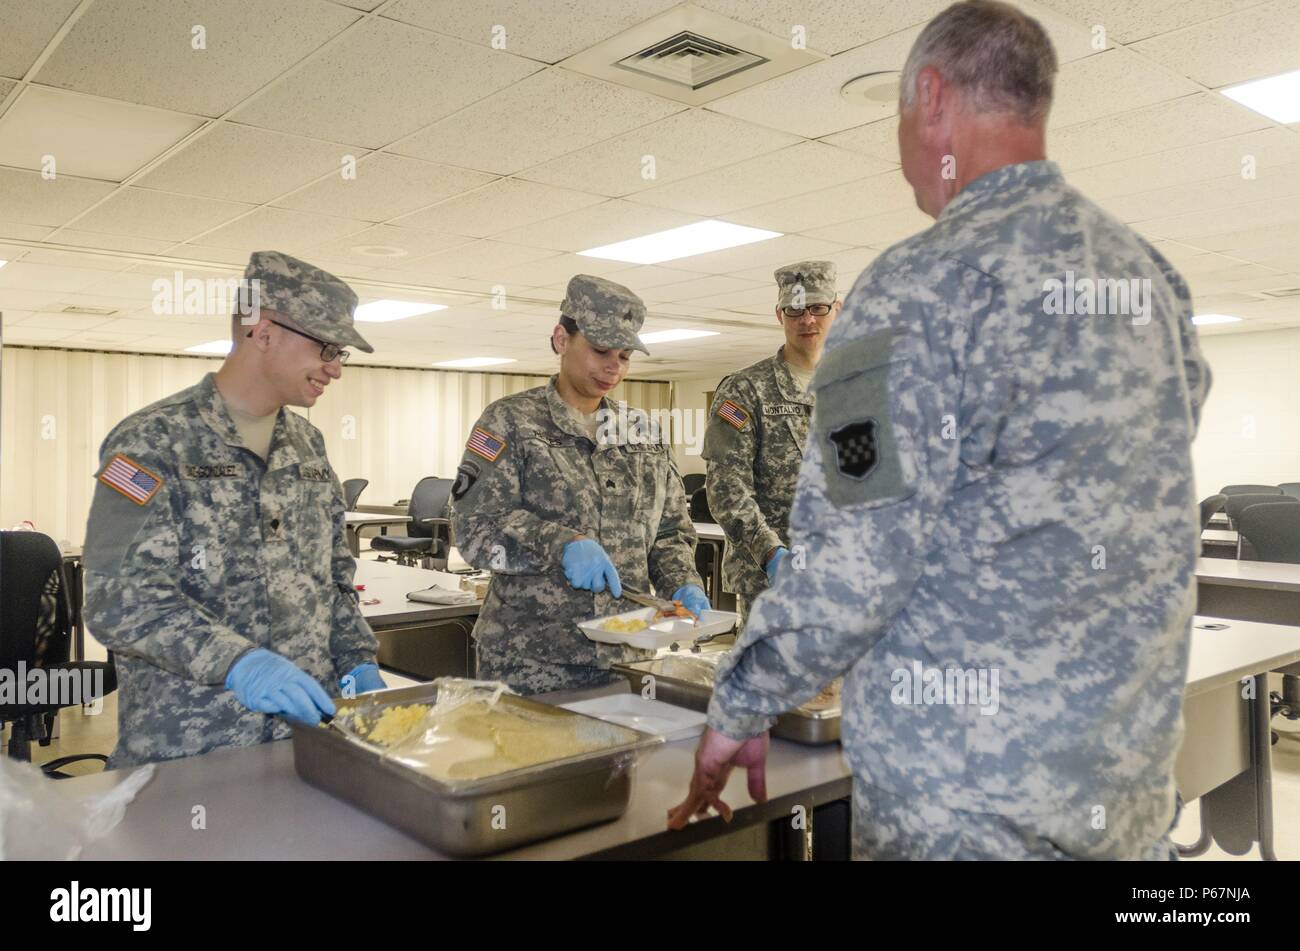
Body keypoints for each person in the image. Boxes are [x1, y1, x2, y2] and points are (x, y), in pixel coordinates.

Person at [669, 0, 1211, 860]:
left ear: (931, 98)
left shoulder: (911, 293)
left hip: (965, 806)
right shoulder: (1152, 282)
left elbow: (852, 566)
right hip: (1125, 795)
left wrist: (740, 704)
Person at [82, 251, 384, 767]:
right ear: (263, 332)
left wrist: (357, 656)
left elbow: (333, 575)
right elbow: (119, 601)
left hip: (304, 739)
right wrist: (239, 662)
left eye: (343, 354)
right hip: (190, 747)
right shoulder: (152, 442)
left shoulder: (307, 445)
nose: (335, 368)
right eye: (328, 348)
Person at [452, 275, 708, 695]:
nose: (614, 367)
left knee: (621, 761)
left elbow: (669, 532)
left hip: (627, 655)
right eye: (601, 351)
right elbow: (473, 529)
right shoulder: (510, 423)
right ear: (561, 339)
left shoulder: (643, 431)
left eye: (625, 356)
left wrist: (683, 582)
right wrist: (561, 542)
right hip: (531, 658)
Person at [702, 261, 840, 627]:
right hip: (773, 580)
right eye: (795, 309)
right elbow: (726, 487)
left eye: (817, 308)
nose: (807, 320)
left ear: (837, 309)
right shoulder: (744, 391)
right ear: (779, 314)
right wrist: (771, 552)